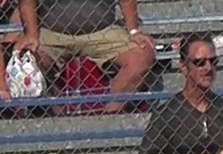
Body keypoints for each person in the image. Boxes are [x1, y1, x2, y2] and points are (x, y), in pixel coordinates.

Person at [16, 0, 155, 113]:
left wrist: (133, 30)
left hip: (103, 31)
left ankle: (111, 115)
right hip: (52, 33)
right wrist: (31, 34)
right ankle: (53, 114)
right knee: (25, 60)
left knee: (142, 55)